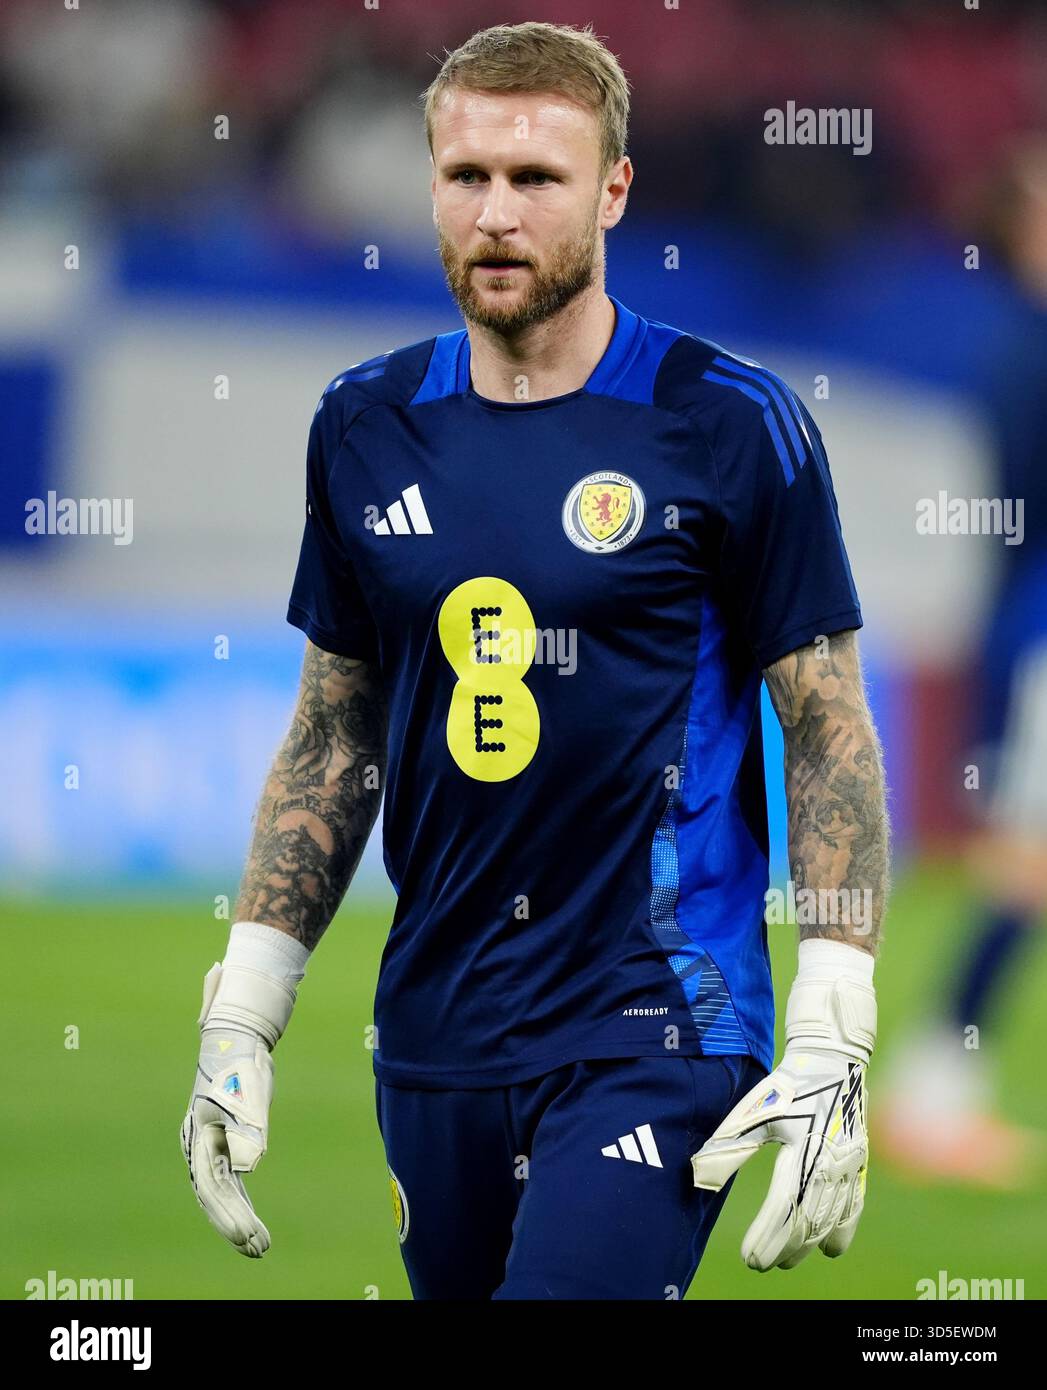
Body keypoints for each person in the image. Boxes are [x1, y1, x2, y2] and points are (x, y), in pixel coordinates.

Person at [180, 21, 889, 1300]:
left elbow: (827, 722)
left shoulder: (728, 422)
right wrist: (245, 1006)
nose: (496, 213)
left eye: (538, 179)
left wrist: (835, 1020)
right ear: (431, 184)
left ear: (614, 190)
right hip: (437, 1033)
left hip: (655, 1021)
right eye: (468, 178)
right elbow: (337, 737)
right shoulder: (362, 423)